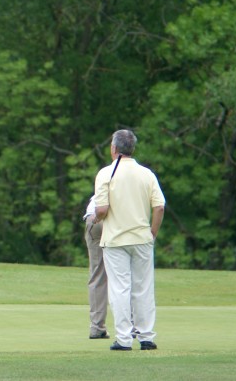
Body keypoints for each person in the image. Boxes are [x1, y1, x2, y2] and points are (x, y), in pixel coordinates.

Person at [93, 129, 165, 351]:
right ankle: (146, 337)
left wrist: (95, 218)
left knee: (120, 289)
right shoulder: (146, 174)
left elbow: (102, 209)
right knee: (143, 288)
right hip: (141, 238)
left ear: (114, 148)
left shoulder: (106, 173)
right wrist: (152, 232)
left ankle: (124, 338)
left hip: (115, 239)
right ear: (132, 148)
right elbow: (159, 206)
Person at [83, 195, 109, 339]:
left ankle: (97, 328)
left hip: (93, 217)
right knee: (125, 274)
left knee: (97, 275)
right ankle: (133, 328)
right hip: (113, 220)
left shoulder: (102, 180)